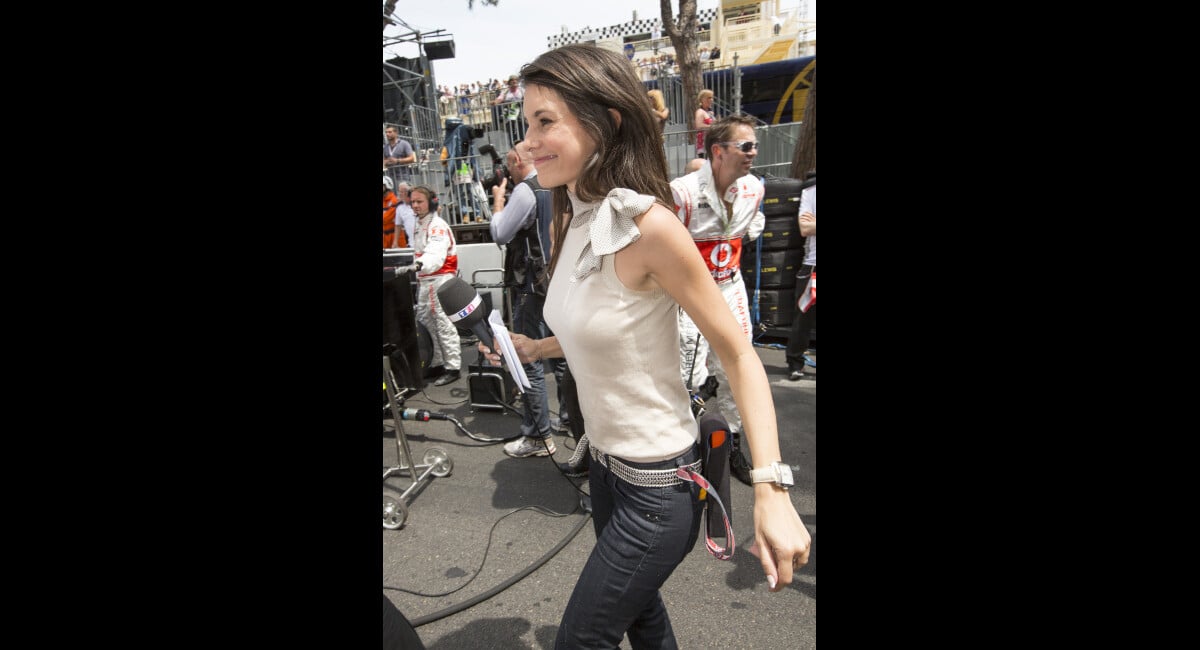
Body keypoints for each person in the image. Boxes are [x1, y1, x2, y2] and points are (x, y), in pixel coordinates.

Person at [478, 44, 810, 648]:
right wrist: (537, 348)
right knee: (642, 619)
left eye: (545, 121)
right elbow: (610, 327)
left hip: (661, 490)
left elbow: (738, 354)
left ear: (607, 121)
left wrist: (771, 487)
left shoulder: (649, 226)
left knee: (580, 639)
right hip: (605, 472)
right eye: (526, 124)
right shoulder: (566, 212)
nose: (526, 142)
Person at [671, 114, 766, 449]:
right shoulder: (682, 193)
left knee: (737, 366)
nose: (753, 152)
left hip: (730, 285)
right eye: (746, 146)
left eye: (755, 145)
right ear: (718, 151)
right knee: (688, 374)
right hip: (691, 295)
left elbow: (753, 225)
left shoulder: (754, 189)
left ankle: (735, 441)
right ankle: (686, 442)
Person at [488, 143, 560, 458]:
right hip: (557, 282)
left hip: (532, 285)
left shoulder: (526, 190)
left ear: (517, 161)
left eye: (508, 163)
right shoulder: (556, 182)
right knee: (561, 355)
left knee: (528, 356)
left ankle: (538, 437)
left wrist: (498, 201)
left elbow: (500, 233)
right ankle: (568, 420)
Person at [410, 186, 462, 386]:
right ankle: (439, 362)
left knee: (442, 323)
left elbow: (435, 254)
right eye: (413, 202)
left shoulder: (437, 225)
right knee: (426, 322)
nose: (415, 205)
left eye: (419, 201)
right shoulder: (421, 224)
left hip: (439, 280)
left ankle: (453, 367)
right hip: (426, 280)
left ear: (430, 202)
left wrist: (418, 265)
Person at [786, 174, 816, 380]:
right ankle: (795, 363)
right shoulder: (811, 190)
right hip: (813, 265)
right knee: (803, 318)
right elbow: (805, 228)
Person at [493, 75, 526, 146]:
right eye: (512, 80)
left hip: (521, 115)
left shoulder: (521, 90)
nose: (514, 82)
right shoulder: (506, 91)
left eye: (515, 80)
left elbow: (527, 97)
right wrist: (495, 102)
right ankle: (513, 148)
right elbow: (500, 98)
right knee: (511, 135)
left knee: (523, 133)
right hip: (510, 114)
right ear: (509, 83)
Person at [382, 176, 405, 249]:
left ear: (387, 186)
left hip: (396, 236)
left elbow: (385, 219)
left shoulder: (394, 201)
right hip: (385, 236)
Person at [694, 89, 715, 158]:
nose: (711, 100)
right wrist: (712, 126)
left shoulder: (709, 112)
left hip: (711, 143)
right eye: (709, 98)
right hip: (704, 145)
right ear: (703, 100)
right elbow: (698, 126)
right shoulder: (700, 112)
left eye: (712, 97)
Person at [394, 181, 415, 247]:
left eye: (403, 191)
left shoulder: (417, 204)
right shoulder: (400, 207)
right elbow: (398, 225)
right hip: (412, 244)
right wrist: (395, 242)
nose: (400, 194)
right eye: (400, 191)